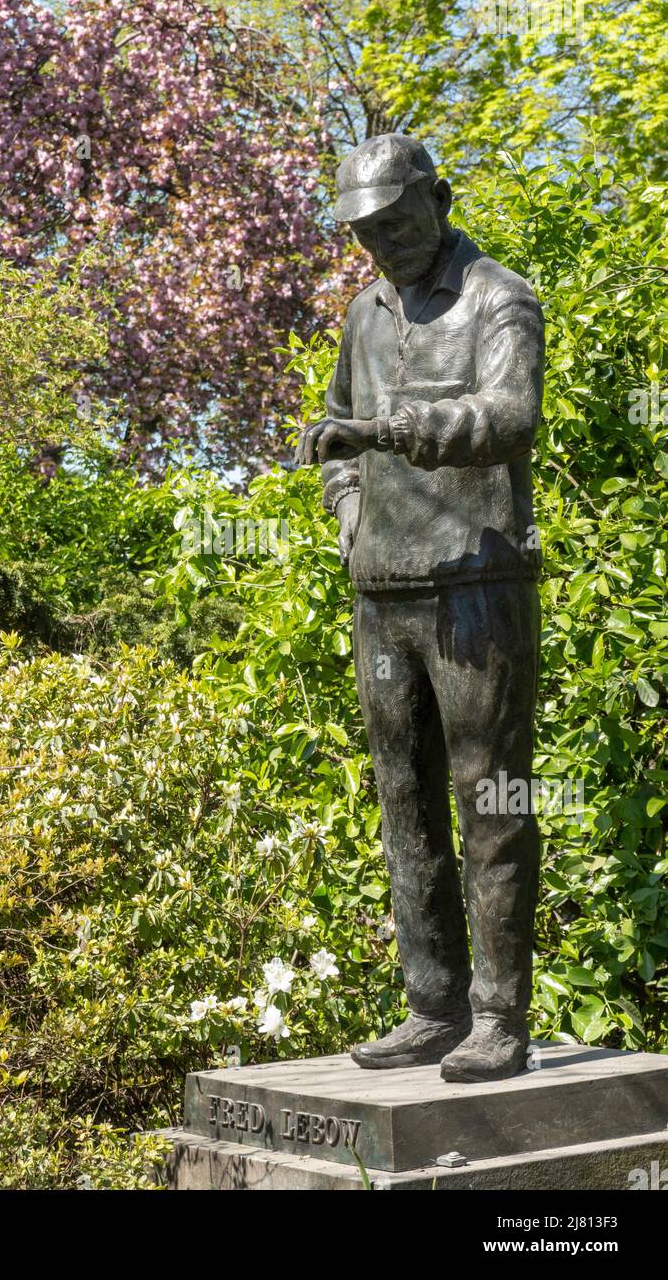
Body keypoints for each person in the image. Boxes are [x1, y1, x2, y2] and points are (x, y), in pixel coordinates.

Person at [297, 133, 544, 1082]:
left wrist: (393, 429)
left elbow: (511, 416)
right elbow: (337, 435)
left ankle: (498, 1018)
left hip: (478, 586)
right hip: (383, 591)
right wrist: (353, 514)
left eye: (397, 223)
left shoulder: (499, 296)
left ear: (439, 199)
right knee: (404, 801)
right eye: (365, 233)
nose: (383, 245)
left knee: (492, 801)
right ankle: (430, 1004)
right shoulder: (362, 313)